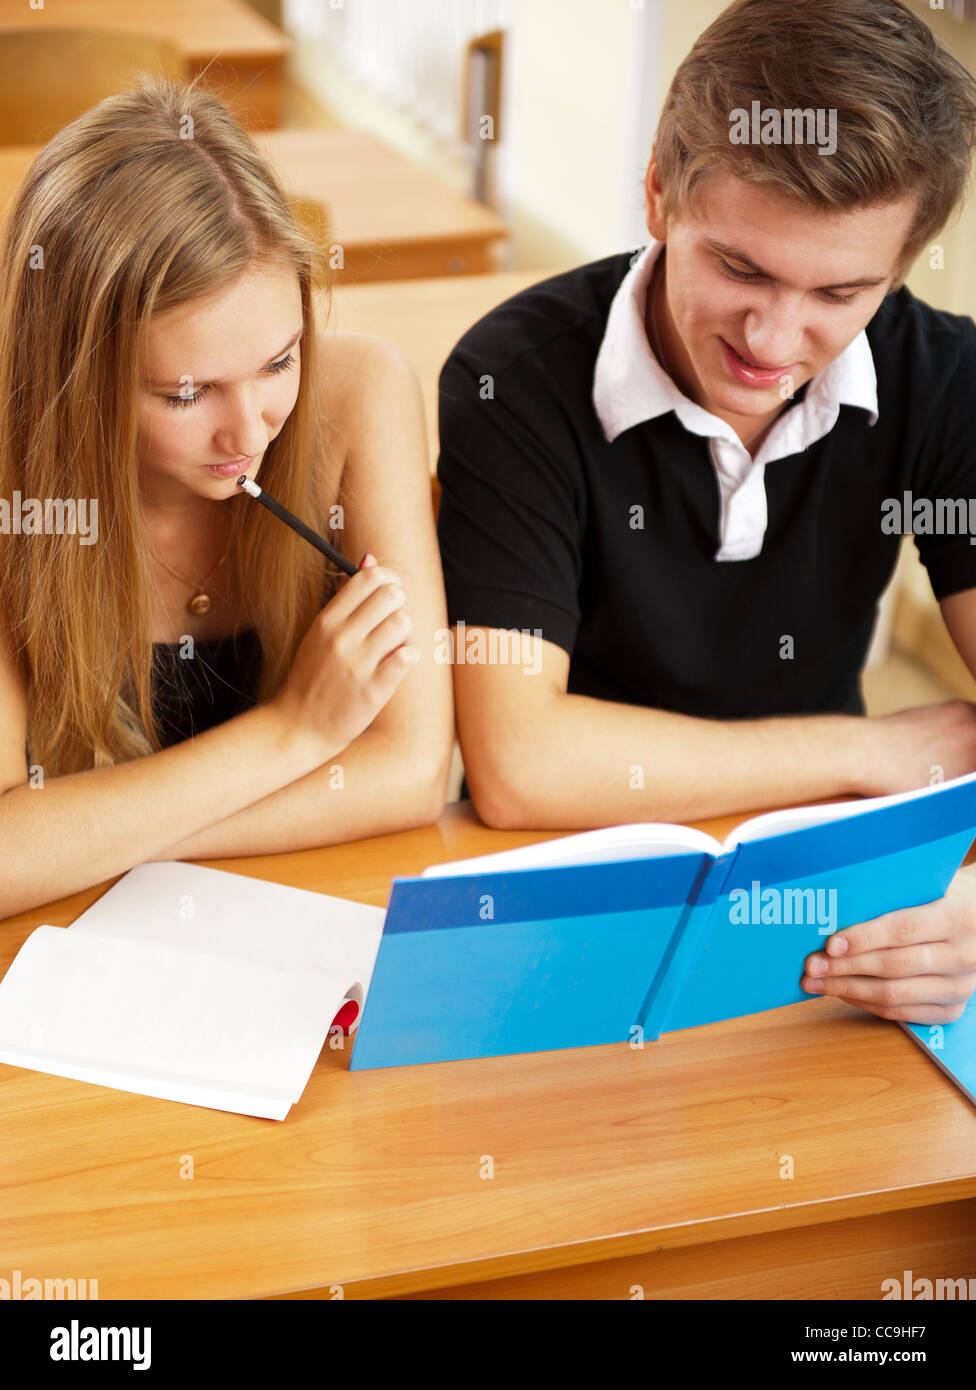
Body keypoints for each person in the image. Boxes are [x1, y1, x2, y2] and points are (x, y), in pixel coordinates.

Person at [435, 0, 976, 1024]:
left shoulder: (945, 380)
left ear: (899, 270)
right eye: (739, 268)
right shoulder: (514, 377)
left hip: (827, 893)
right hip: (566, 882)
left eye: (840, 293)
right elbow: (517, 764)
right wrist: (868, 751)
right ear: (656, 193)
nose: (773, 339)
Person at [0, 77, 453, 919]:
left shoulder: (359, 395)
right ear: (74, 382)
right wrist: (298, 734)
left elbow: (412, 774)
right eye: (185, 394)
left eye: (279, 363)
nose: (250, 432)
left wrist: (88, 834)